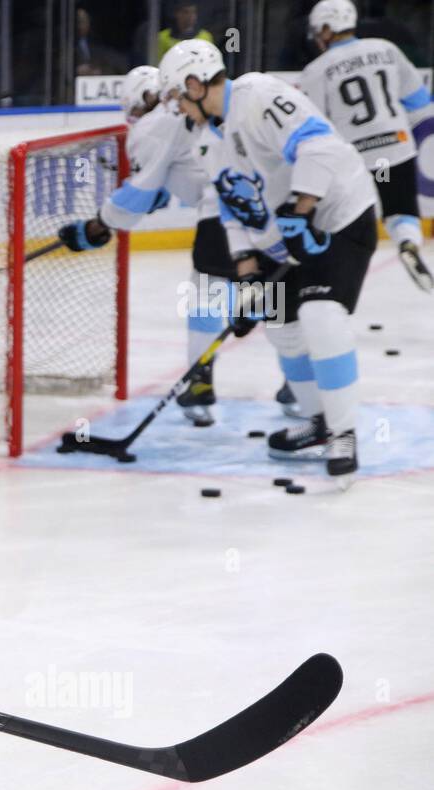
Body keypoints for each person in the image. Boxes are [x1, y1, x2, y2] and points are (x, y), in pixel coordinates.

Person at [159, 39, 378, 477]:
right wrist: (247, 275)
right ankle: (319, 423)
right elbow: (232, 207)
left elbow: (317, 146)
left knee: (319, 312)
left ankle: (343, 434)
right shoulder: (211, 141)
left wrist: (299, 213)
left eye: (178, 99)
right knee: (281, 325)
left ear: (195, 84)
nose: (178, 110)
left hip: (340, 217)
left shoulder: (258, 95)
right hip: (292, 239)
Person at [58, 65, 285, 426]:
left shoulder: (154, 125)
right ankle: (298, 385)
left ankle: (199, 384)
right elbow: (172, 176)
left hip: (224, 211)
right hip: (272, 208)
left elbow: (140, 193)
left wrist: (97, 226)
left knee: (207, 298)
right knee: (275, 300)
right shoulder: (200, 110)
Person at [298, 0, 432, 291]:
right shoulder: (386, 49)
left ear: (326, 28)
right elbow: (420, 100)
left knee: (349, 219)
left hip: (356, 158)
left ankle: (331, 274)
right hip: (397, 147)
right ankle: (407, 242)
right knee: (401, 211)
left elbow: (315, 126)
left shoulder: (316, 69)